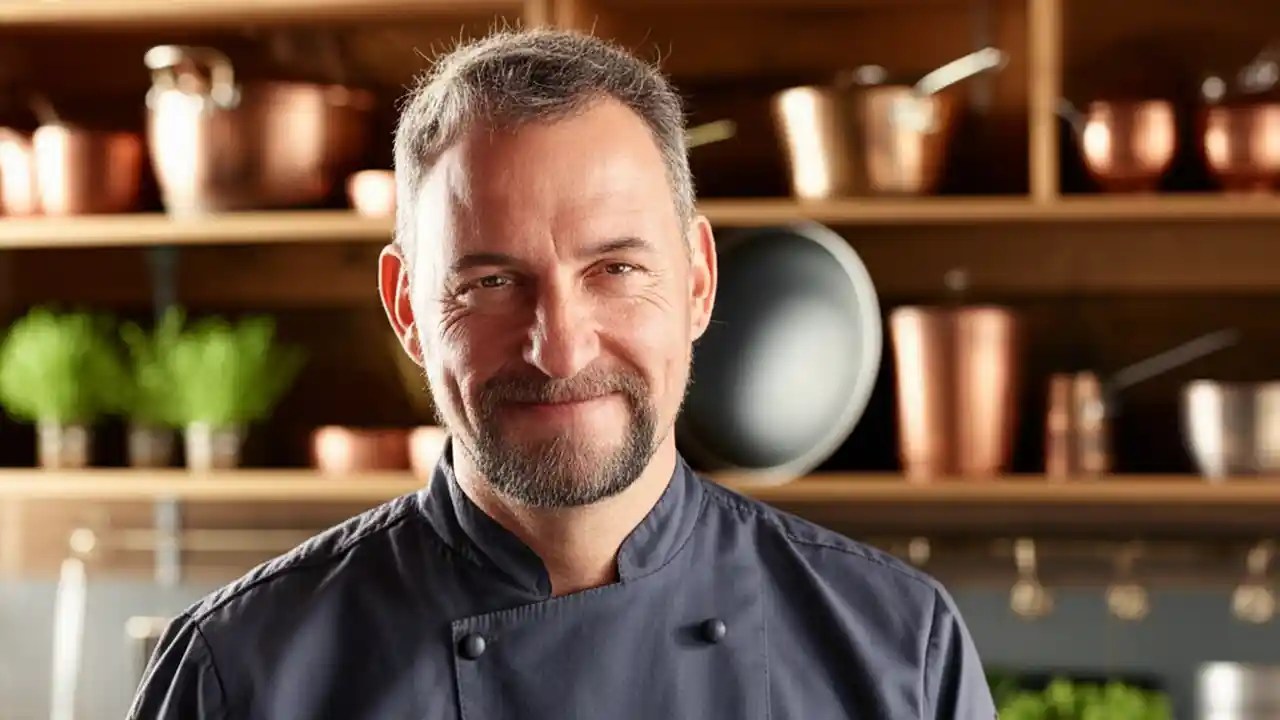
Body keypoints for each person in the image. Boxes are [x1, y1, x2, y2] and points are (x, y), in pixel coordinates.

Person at [128, 28, 996, 720]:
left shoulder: (899, 653)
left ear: (697, 283)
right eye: (491, 282)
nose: (562, 351)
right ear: (406, 309)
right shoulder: (237, 675)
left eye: (615, 269)